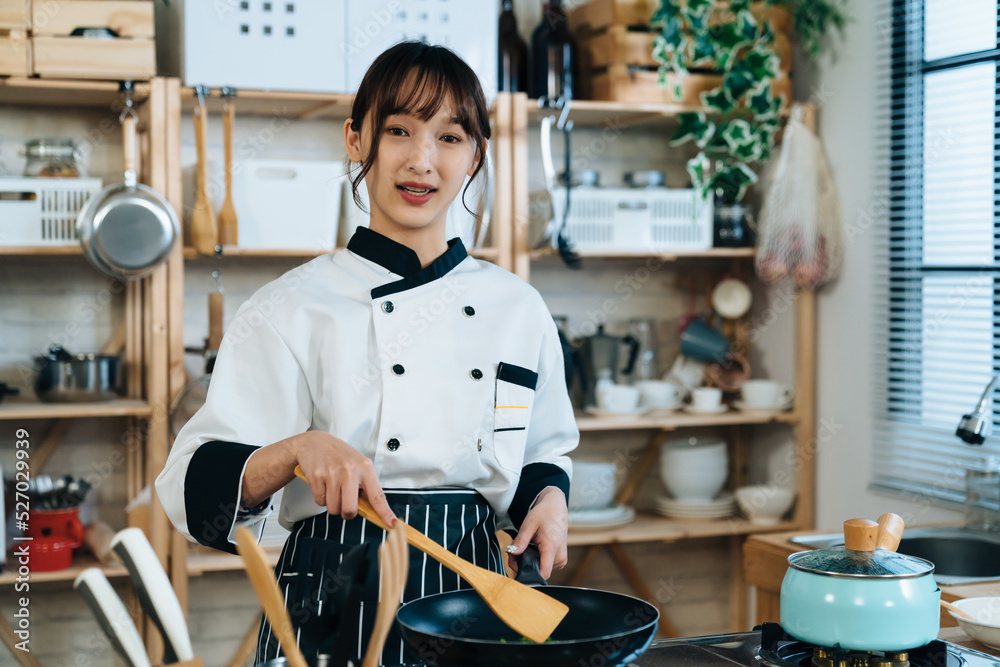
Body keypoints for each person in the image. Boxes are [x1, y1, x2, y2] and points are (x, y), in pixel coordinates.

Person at [155, 41, 579, 666]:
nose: (421, 161)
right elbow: (190, 485)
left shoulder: (517, 307)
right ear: (356, 139)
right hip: (334, 593)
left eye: (449, 137)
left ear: (476, 156)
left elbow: (541, 450)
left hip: (472, 586)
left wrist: (549, 501)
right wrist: (296, 450)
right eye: (399, 130)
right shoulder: (290, 306)